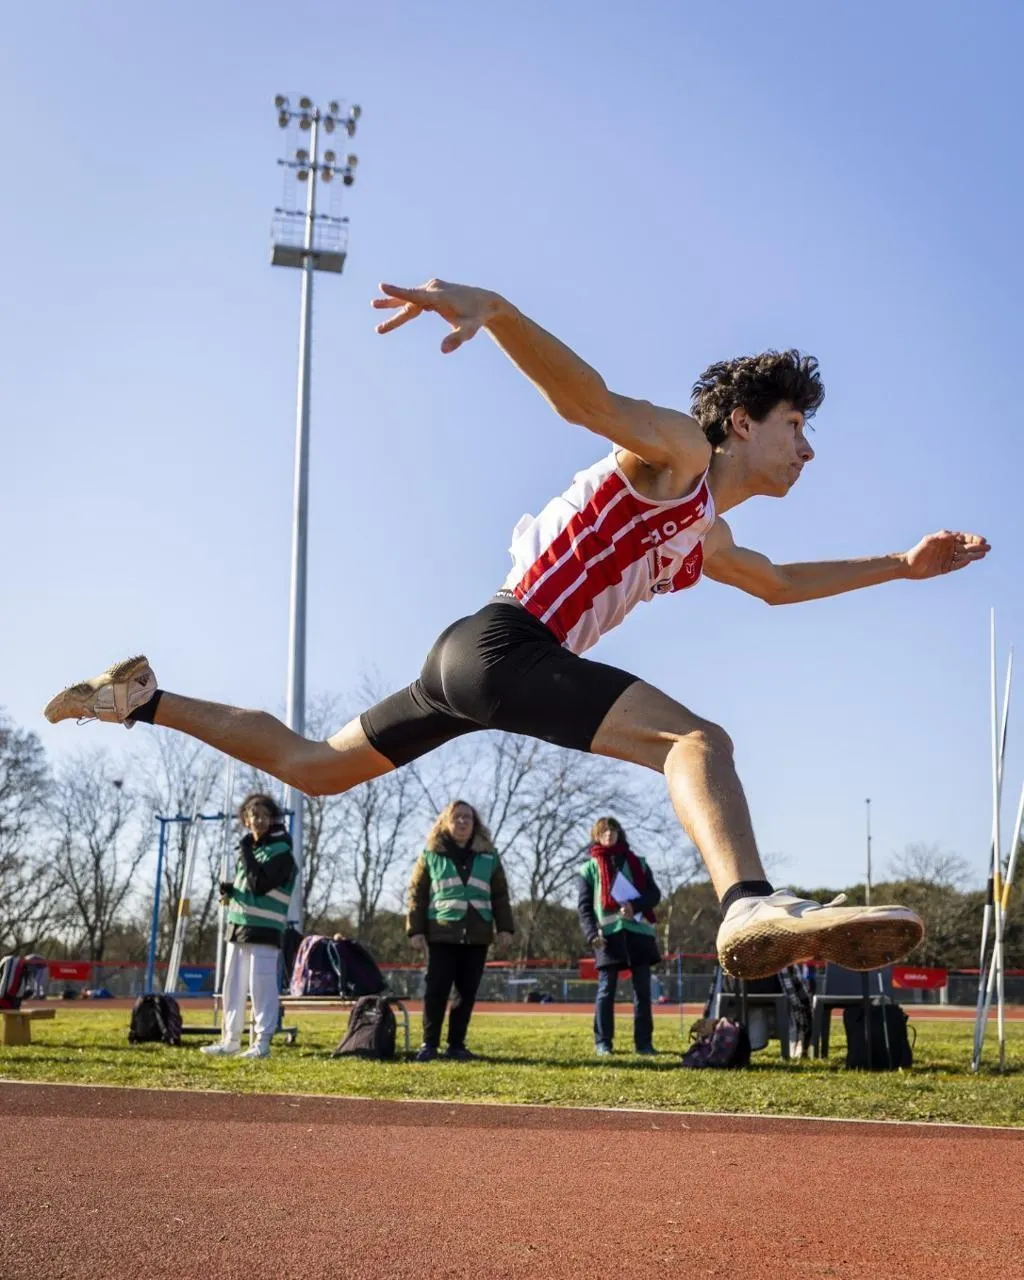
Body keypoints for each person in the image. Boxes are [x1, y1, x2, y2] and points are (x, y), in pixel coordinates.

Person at [44, 278, 991, 981]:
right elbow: (589, 403)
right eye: (795, 425)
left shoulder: (706, 531)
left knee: (314, 768)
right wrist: (496, 312)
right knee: (697, 742)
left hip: (471, 658)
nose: (808, 448)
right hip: (507, 646)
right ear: (742, 422)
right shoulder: (679, 451)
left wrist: (902, 566)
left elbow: (777, 584)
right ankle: (747, 906)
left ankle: (142, 699)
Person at [406, 800, 514, 1061]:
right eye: (457, 817)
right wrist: (415, 930)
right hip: (441, 933)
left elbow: (500, 895)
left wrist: (505, 928)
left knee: (466, 993)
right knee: (436, 990)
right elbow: (417, 894)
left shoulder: (489, 856)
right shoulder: (431, 854)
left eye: (468, 817)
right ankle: (429, 1045)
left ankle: (456, 1045)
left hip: (477, 935)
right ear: (445, 822)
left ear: (475, 823)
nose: (463, 822)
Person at [200, 792, 296, 1060]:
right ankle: (230, 1040)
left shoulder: (281, 852)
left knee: (261, 987)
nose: (260, 820)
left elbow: (260, 884)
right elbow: (251, 886)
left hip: (264, 931)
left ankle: (261, 1043)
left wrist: (244, 851)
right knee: (233, 987)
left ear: (273, 819)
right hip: (238, 927)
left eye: (266, 815)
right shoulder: (253, 850)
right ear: (245, 819)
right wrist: (232, 891)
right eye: (255, 815)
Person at [577, 816, 662, 1056]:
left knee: (642, 991)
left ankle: (644, 1044)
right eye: (604, 831)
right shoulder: (589, 868)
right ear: (596, 836)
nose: (609, 834)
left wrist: (635, 906)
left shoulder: (639, 863)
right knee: (606, 990)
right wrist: (591, 934)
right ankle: (603, 1042)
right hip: (607, 937)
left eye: (613, 830)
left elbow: (654, 895)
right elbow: (584, 907)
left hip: (638, 934)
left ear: (619, 833)